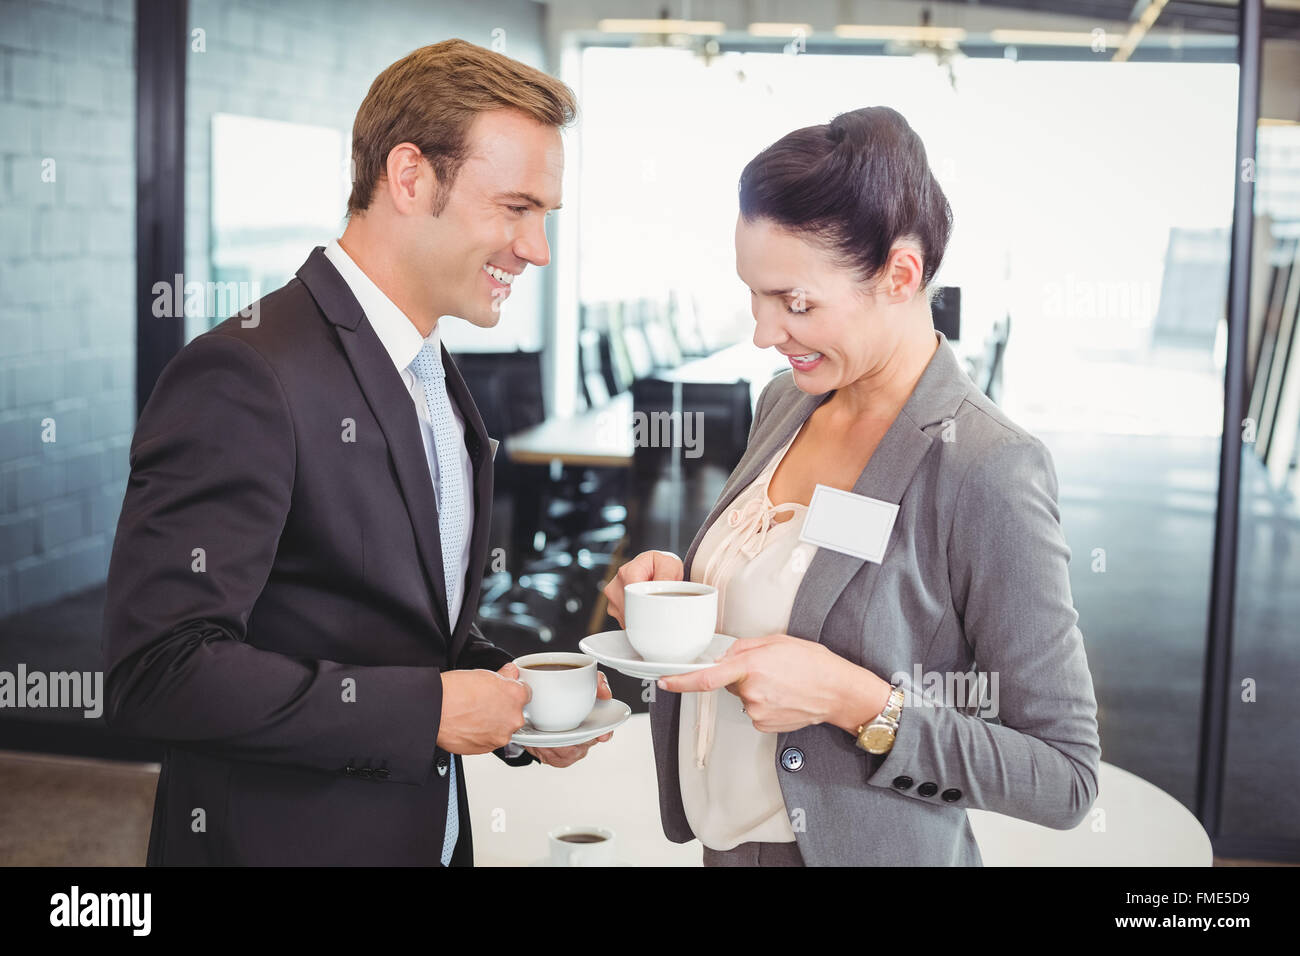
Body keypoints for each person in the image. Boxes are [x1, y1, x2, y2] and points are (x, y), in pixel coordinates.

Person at [102, 39, 611, 867]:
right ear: (409, 178)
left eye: (545, 215)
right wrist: (430, 713)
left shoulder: (432, 369)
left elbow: (408, 630)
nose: (538, 248)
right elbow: (157, 671)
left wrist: (511, 698)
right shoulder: (245, 373)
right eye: (516, 207)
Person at [603, 106, 1101, 866]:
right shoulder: (786, 402)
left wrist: (860, 703)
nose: (765, 332)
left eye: (796, 303)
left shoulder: (985, 466)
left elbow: (1065, 778)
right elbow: (783, 587)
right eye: (756, 295)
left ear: (901, 275)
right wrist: (686, 588)